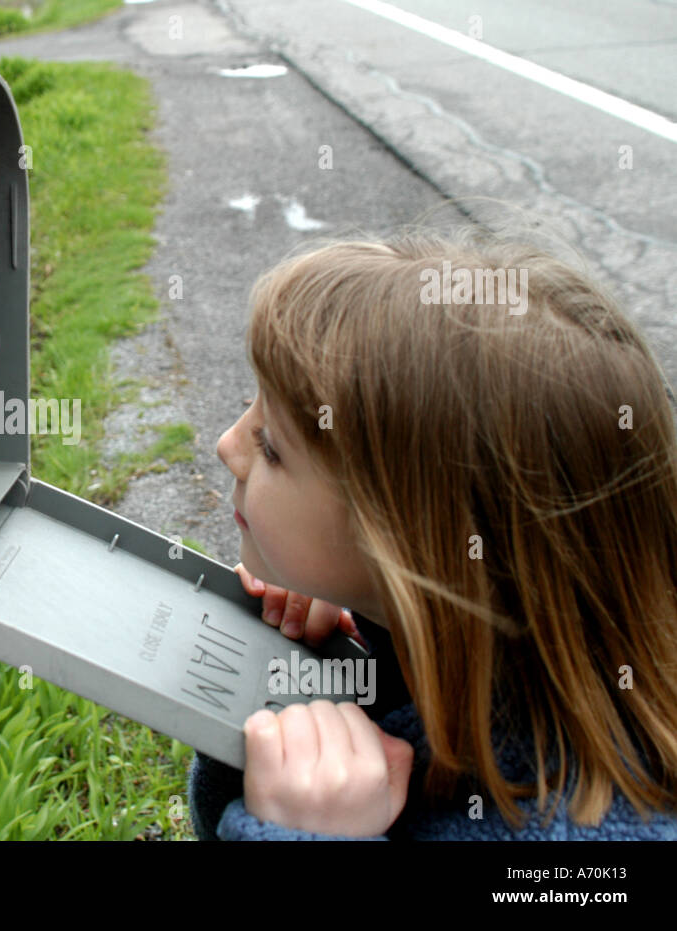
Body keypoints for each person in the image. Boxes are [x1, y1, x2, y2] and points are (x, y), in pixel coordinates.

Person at [188, 226, 677, 840]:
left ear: (410, 550)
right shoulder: (474, 670)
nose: (227, 444)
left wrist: (304, 834)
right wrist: (366, 660)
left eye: (271, 447)